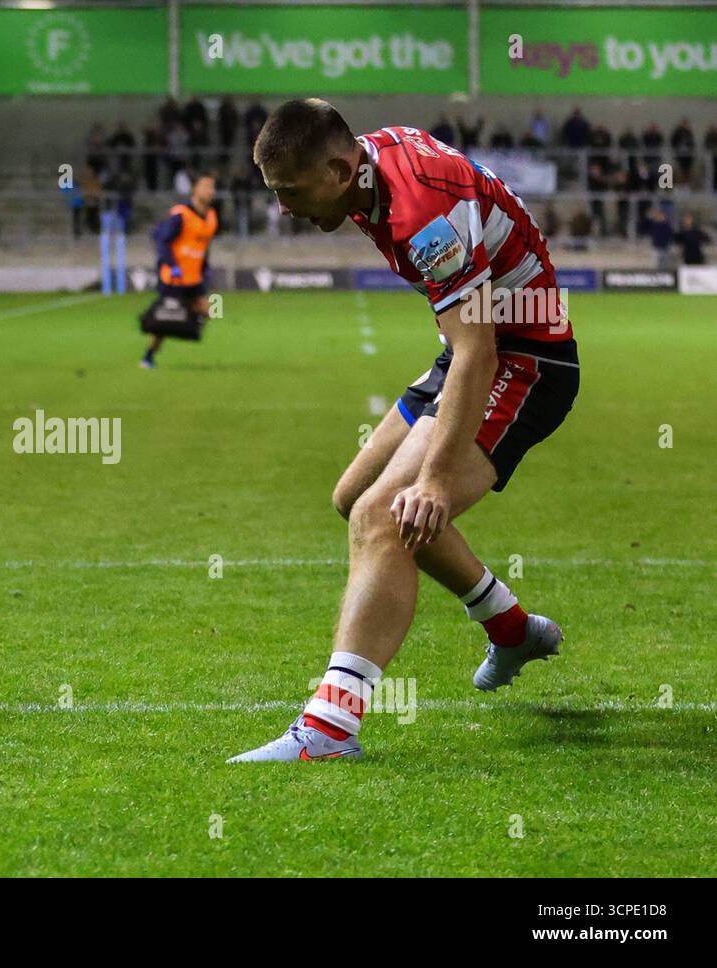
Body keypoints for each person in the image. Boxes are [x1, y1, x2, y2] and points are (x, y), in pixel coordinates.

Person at [231, 99, 578, 762]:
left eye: (290, 192)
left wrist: (437, 480)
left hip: (523, 358)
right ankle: (511, 629)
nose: (284, 209)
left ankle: (329, 731)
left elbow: (478, 352)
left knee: (387, 516)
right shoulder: (365, 167)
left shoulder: (426, 214)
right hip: (475, 346)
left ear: (338, 168)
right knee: (352, 498)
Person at [138, 171, 217, 369]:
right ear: (194, 190)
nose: (210, 191)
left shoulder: (212, 217)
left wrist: (205, 268)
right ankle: (148, 357)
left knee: (208, 311)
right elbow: (161, 240)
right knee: (163, 323)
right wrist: (172, 266)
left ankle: (185, 328)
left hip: (194, 278)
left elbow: (203, 247)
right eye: (205, 186)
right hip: (173, 278)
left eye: (212, 187)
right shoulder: (181, 216)